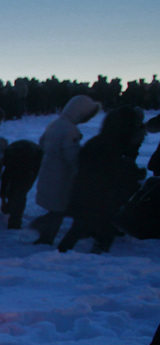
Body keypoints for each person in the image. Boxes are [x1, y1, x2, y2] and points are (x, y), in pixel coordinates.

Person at [57, 105, 146, 253]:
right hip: (100, 195)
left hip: (89, 192)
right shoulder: (110, 145)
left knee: (83, 226)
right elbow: (114, 168)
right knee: (102, 227)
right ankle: (92, 255)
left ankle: (65, 253)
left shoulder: (100, 141)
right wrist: (134, 173)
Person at [32, 95, 100, 245]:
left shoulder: (55, 123)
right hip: (61, 175)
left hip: (48, 169)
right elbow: (71, 156)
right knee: (59, 209)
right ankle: (46, 238)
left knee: (54, 207)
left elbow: (42, 143)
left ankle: (41, 229)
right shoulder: (70, 129)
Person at [0, 140, 43, 230]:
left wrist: (4, 200)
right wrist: (3, 200)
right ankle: (12, 209)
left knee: (20, 192)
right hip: (22, 154)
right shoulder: (10, 156)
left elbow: (30, 178)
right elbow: (5, 178)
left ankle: (14, 222)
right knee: (19, 190)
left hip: (33, 157)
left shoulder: (34, 157)